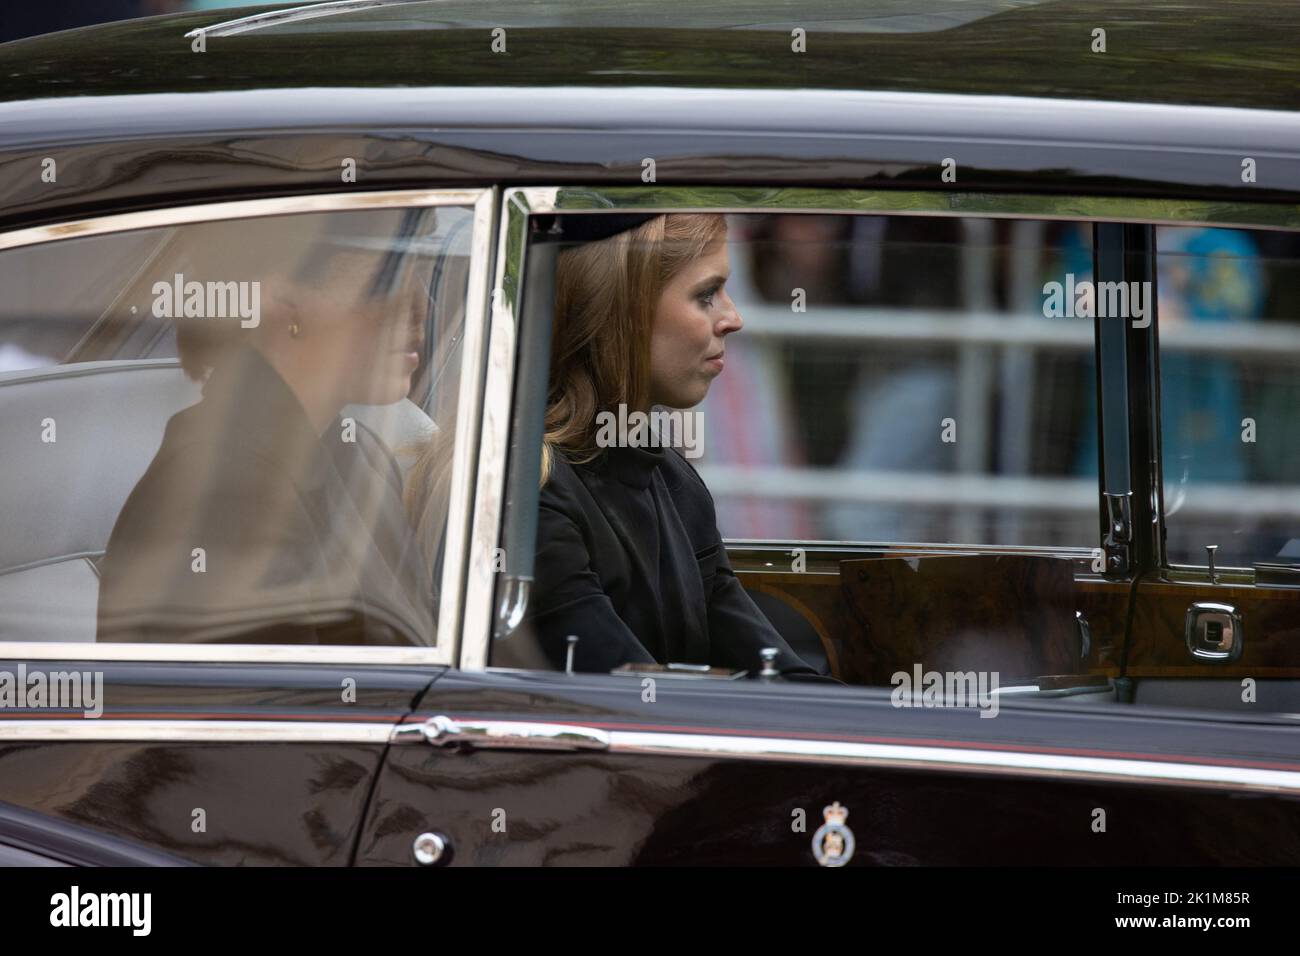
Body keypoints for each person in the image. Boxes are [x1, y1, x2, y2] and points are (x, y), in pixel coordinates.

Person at [97, 217, 433, 644]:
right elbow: (286, 707)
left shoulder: (361, 455)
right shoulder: (223, 497)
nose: (421, 305)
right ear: (283, 294)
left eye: (422, 267)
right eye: (391, 272)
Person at [523, 213, 819, 676]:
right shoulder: (535, 496)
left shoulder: (669, 475)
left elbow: (774, 672)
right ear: (623, 307)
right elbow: (634, 703)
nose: (733, 318)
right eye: (706, 295)